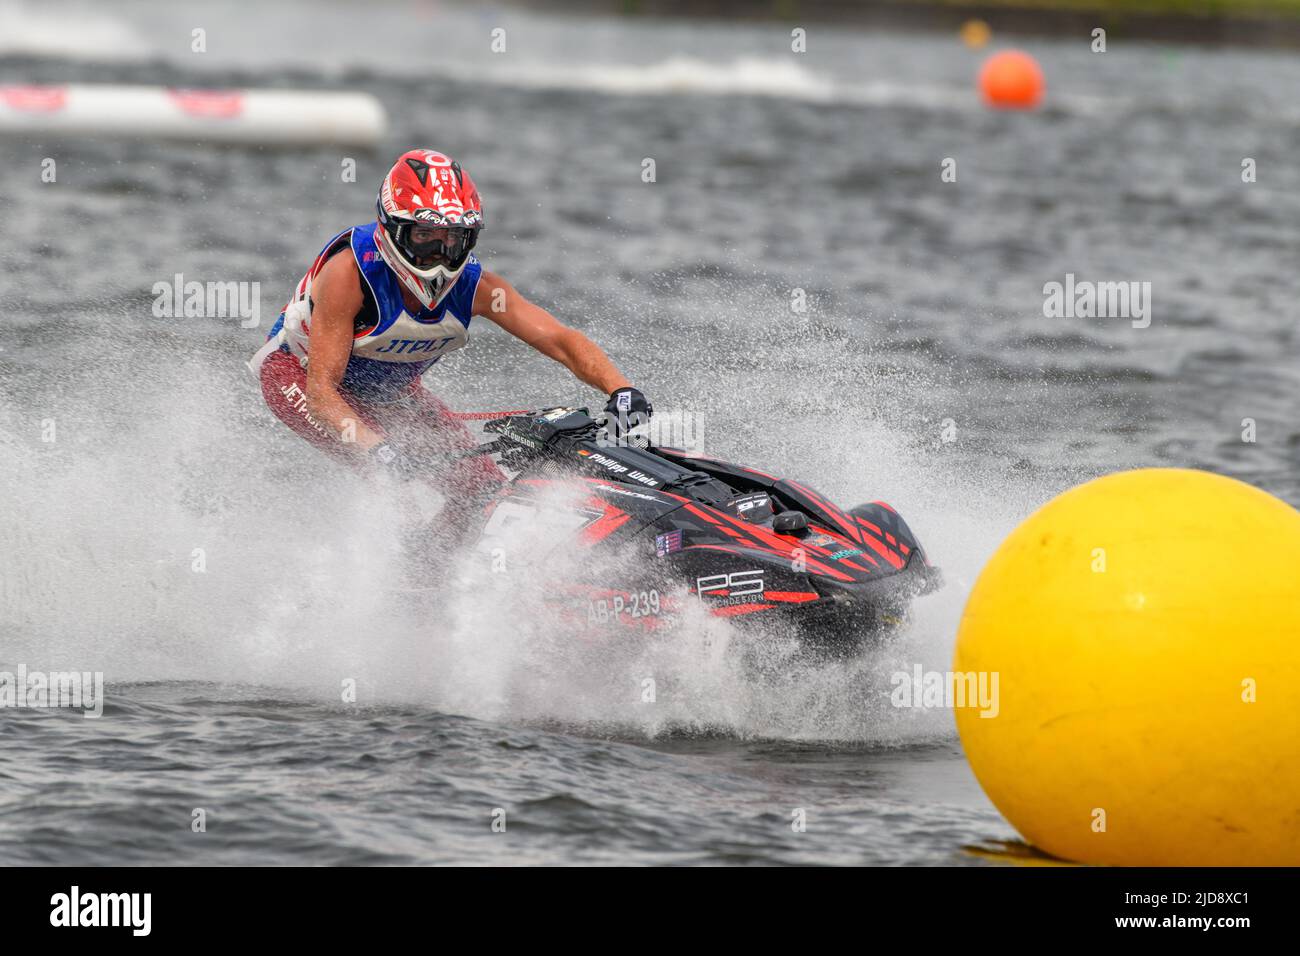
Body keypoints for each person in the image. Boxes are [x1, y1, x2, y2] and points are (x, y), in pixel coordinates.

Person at [249, 148, 652, 530]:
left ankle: (441, 584)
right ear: (393, 229)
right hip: (298, 379)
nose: (440, 256)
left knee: (485, 493)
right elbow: (321, 393)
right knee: (390, 483)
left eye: (453, 239)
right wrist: (379, 449)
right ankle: (374, 588)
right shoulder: (348, 277)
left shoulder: (478, 289)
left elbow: (562, 340)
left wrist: (621, 389)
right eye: (424, 237)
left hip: (390, 397)